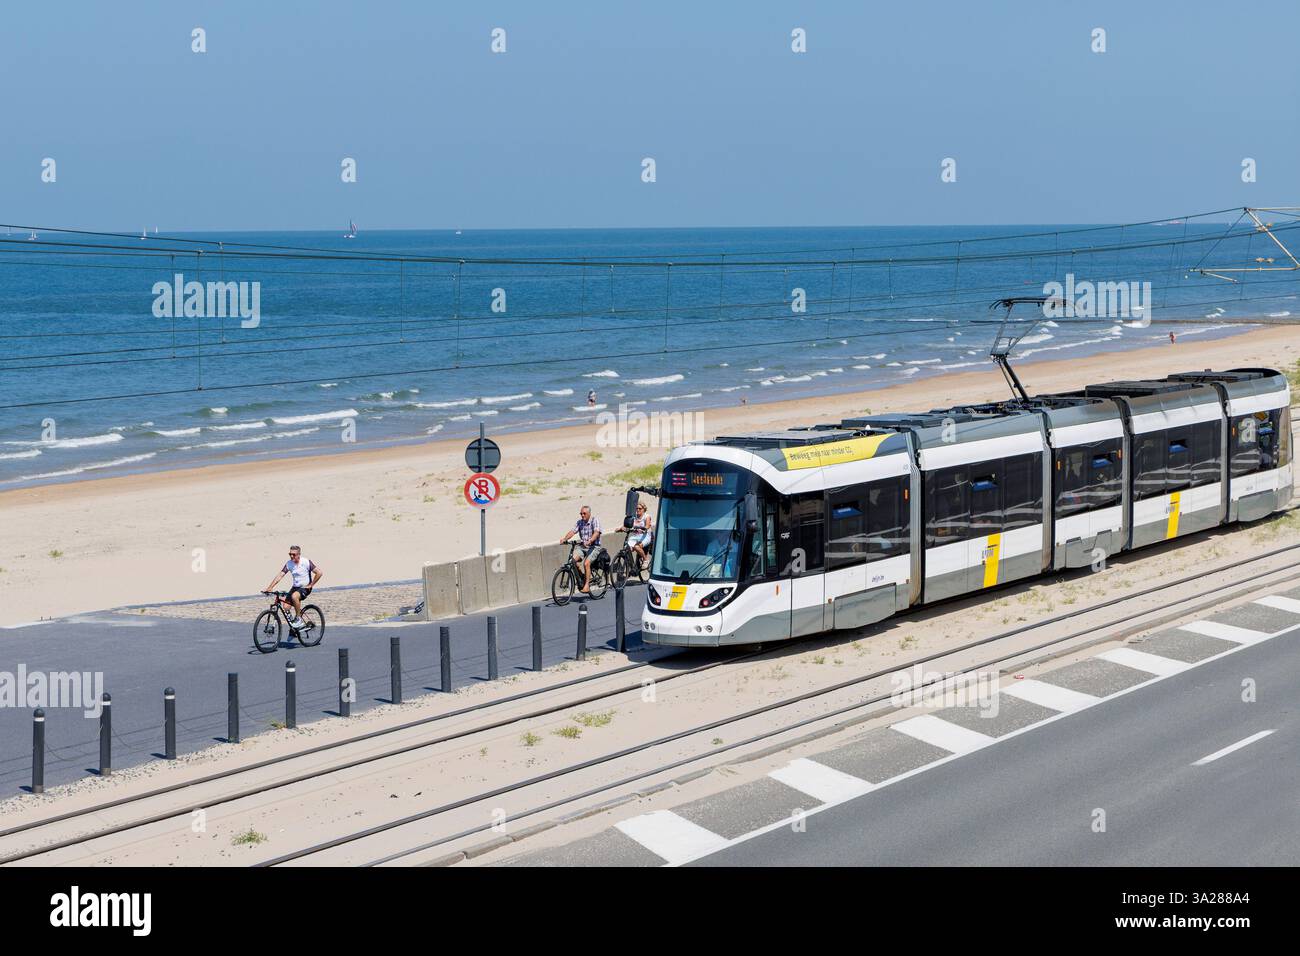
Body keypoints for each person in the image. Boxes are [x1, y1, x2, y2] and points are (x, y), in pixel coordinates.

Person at [264, 545, 323, 630]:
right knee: (286, 607)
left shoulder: (306, 562)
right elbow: (280, 575)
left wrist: (311, 585)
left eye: (294, 554)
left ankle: (298, 619)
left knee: (294, 596)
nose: (291, 556)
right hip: (295, 587)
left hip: (305, 587)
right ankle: (294, 629)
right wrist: (270, 587)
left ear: (299, 554)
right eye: (290, 554)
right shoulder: (289, 564)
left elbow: (319, 573)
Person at [560, 505, 603, 593]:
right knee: (572, 560)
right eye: (581, 513)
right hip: (583, 547)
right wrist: (565, 539)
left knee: (586, 563)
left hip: (594, 547)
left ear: (589, 513)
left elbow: (597, 532)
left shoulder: (595, 520)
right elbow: (572, 531)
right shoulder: (580, 522)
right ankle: (582, 577)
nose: (582, 515)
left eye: (584, 513)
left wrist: (591, 540)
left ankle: (587, 585)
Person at [626, 500, 654, 569]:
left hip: (645, 536)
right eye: (637, 508)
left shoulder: (646, 516)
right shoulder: (634, 517)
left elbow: (647, 525)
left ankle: (645, 560)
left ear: (644, 509)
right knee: (627, 548)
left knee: (636, 547)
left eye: (640, 508)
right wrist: (621, 528)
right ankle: (631, 565)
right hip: (636, 537)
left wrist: (644, 528)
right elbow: (628, 525)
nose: (638, 510)